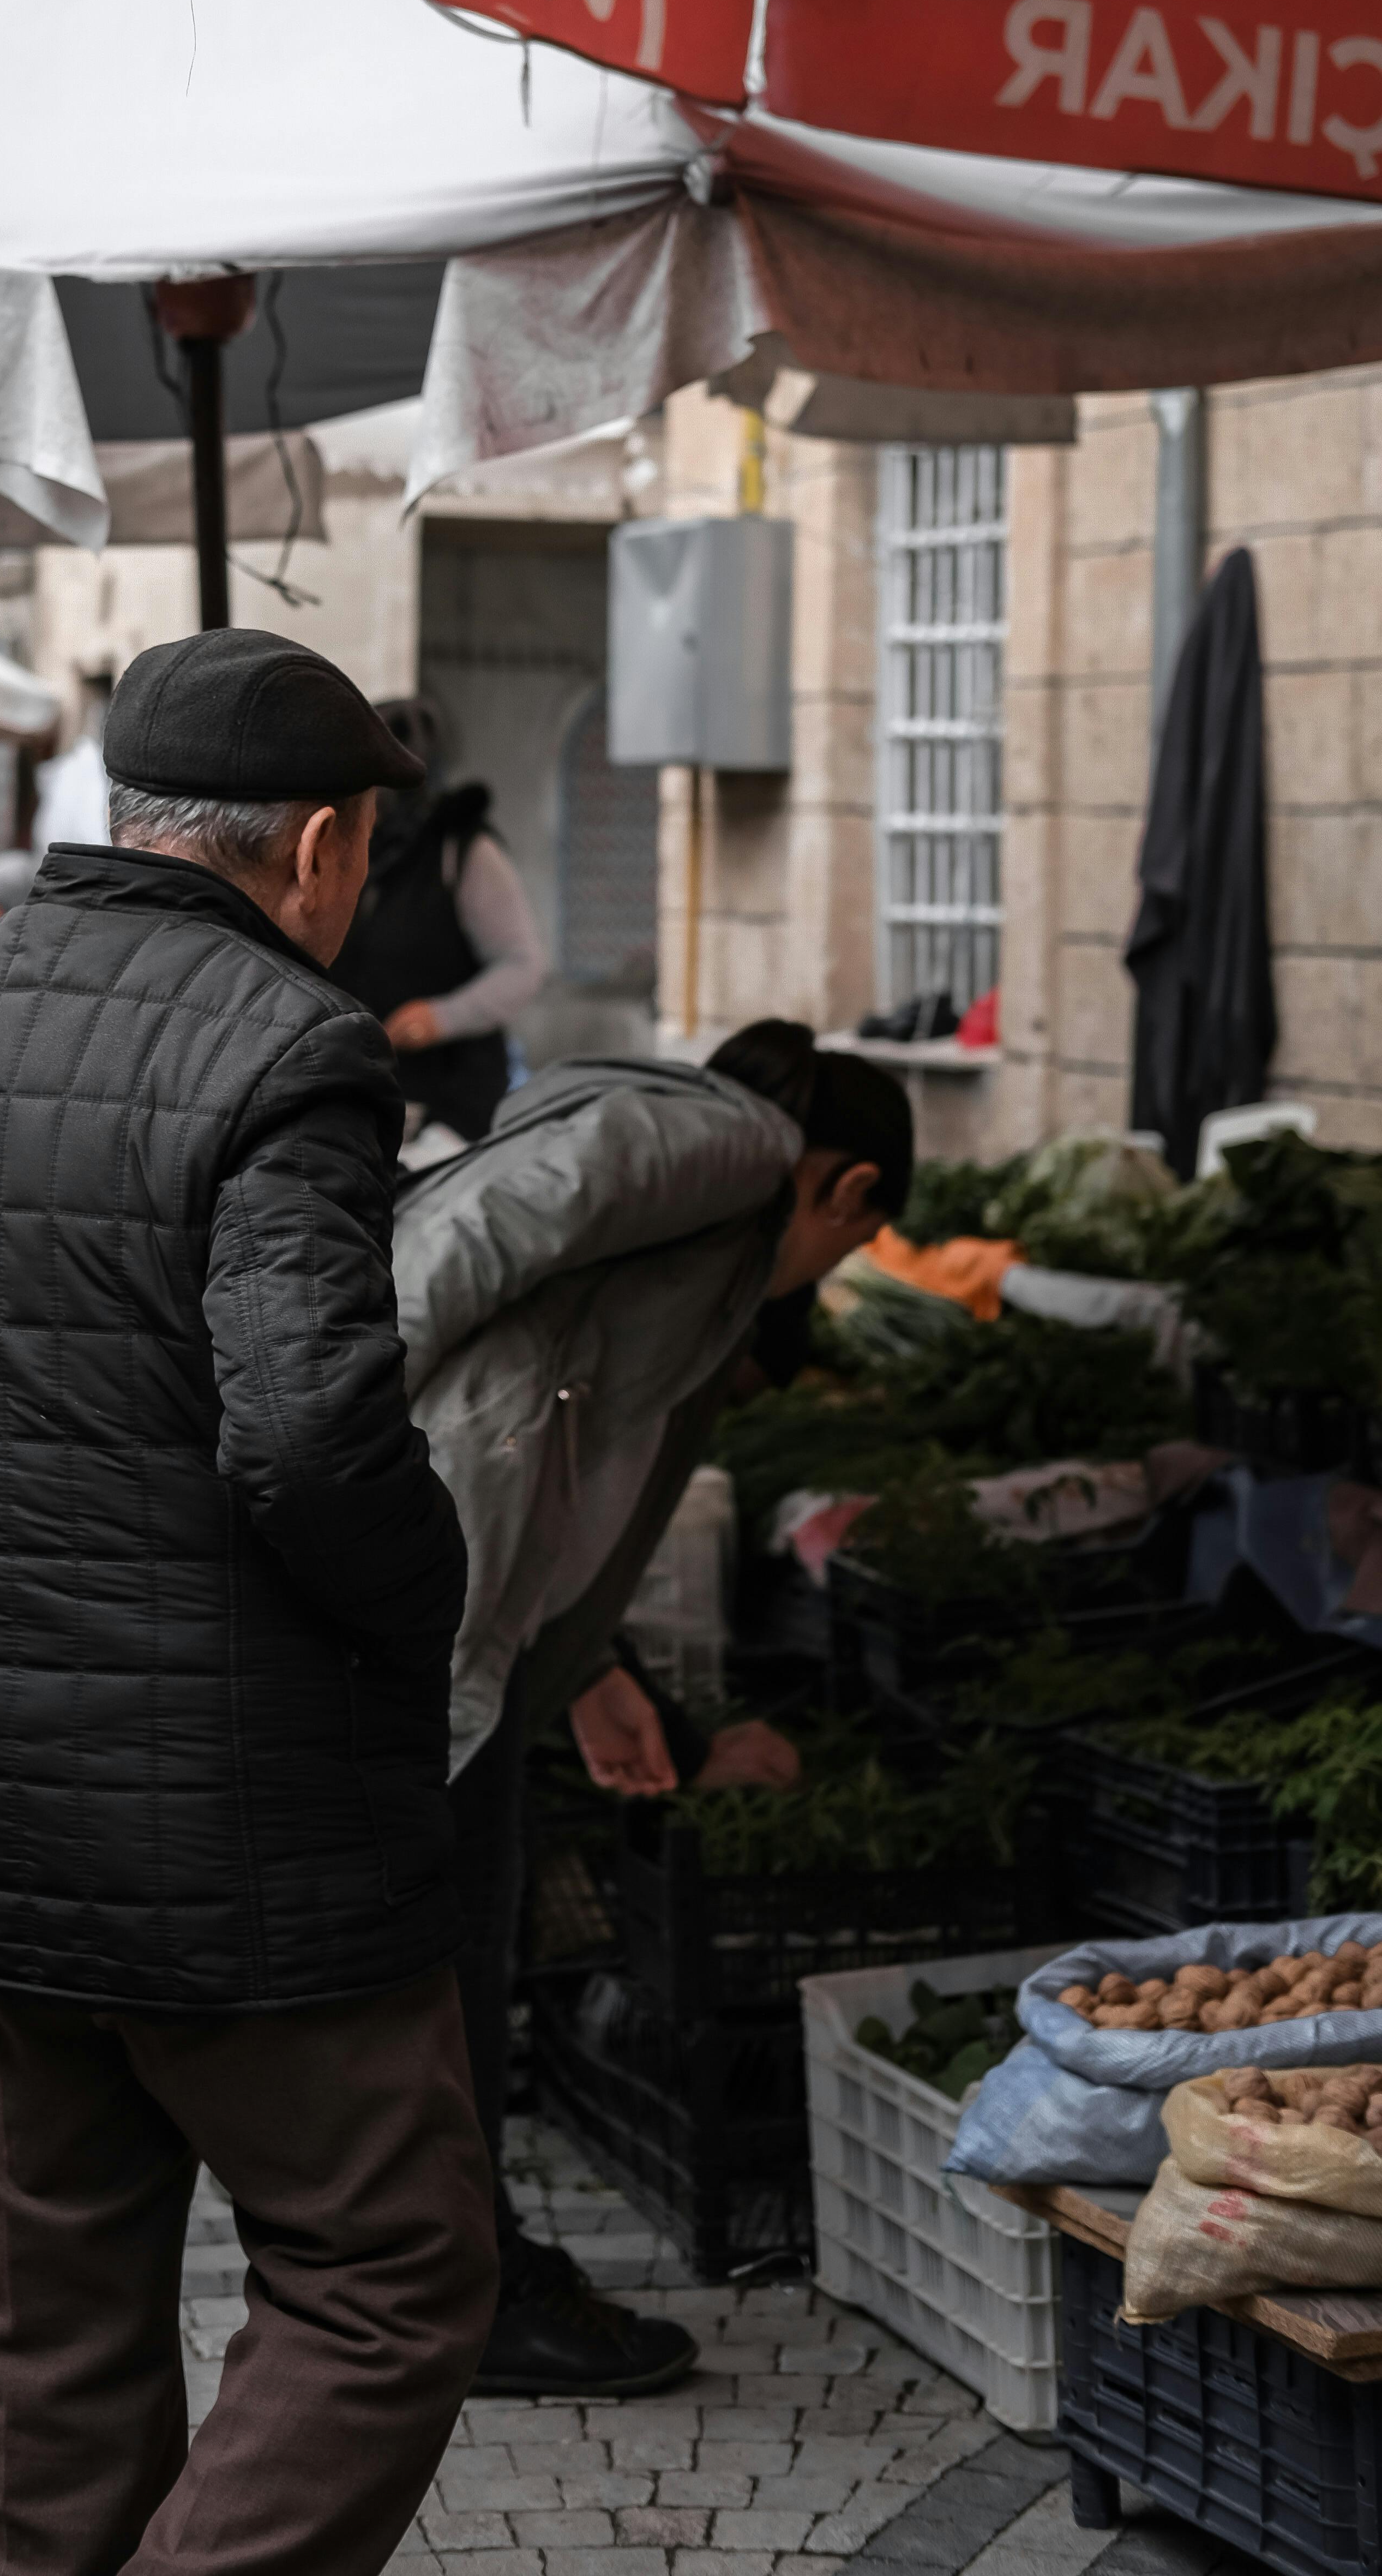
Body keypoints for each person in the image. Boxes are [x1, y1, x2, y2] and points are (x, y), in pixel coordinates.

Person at [0, 627, 497, 2576]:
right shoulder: (292, 1049)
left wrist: (18, 1496)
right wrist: (438, 1611)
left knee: (56, 2312)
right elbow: (311, 1445)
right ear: (318, 843)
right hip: (246, 1829)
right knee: (391, 2273)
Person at [395, 1019, 912, 2396]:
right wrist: (325, 1400)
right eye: (853, 1247)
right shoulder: (731, 1147)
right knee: (441, 1951)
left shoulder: (719, 1240)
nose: (830, 1272)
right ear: (850, 1191)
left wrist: (599, 1675)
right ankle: (454, 2295)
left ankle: (448, 2274)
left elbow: (590, 1472)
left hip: (477, 1602)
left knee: (459, 1942)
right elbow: (472, 1226)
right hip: (430, 1577)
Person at [332, 698, 548, 1142]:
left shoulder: (464, 852)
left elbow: (524, 965)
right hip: (363, 1097)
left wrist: (442, 1017)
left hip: (451, 1105)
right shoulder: (349, 848)